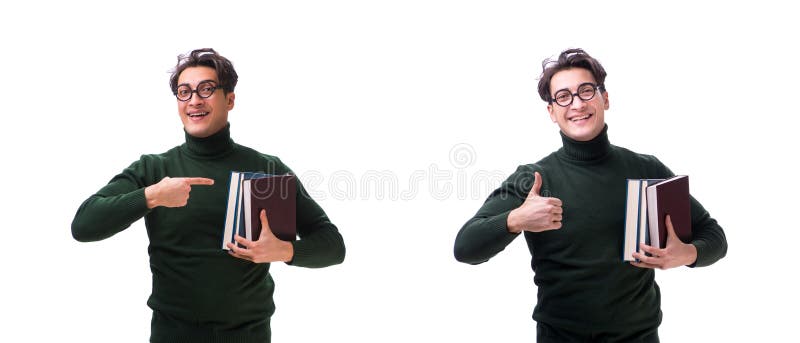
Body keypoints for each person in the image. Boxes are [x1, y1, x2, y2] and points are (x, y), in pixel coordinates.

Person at [72, 48, 346, 342]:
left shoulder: (267, 169)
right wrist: (151, 196)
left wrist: (285, 251)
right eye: (184, 92)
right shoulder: (154, 170)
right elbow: (84, 225)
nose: (194, 100)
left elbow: (333, 245)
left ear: (230, 100)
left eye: (206, 89)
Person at [453, 48, 727, 342]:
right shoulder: (534, 179)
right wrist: (516, 219)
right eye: (563, 96)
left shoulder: (646, 168)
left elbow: (714, 236)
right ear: (552, 112)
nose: (577, 104)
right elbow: (465, 248)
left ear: (604, 98)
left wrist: (687, 254)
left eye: (586, 91)